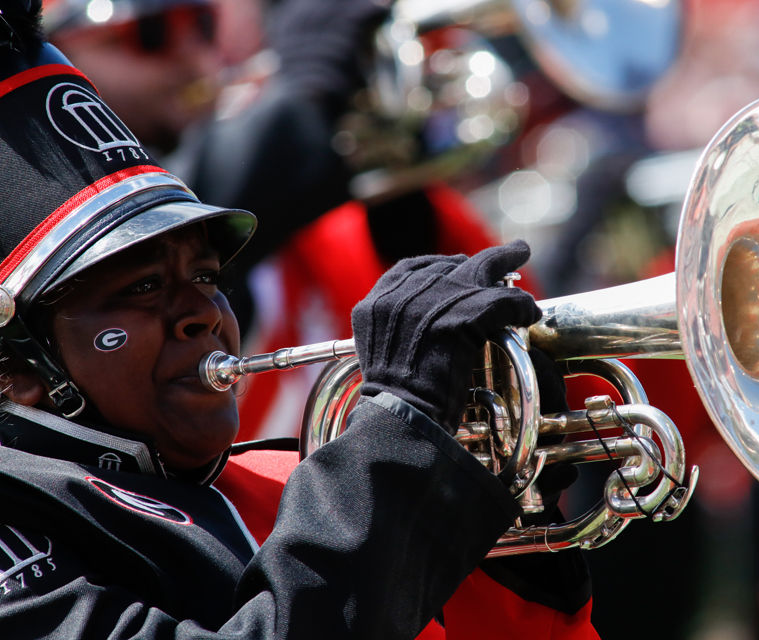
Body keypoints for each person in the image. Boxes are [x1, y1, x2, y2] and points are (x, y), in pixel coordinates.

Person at [0, 3, 596, 637]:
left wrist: (513, 529)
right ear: (16, 372)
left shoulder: (292, 480)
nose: (202, 312)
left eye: (207, 276)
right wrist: (400, 437)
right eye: (144, 287)